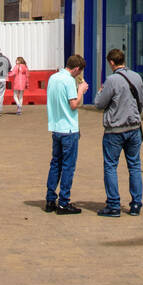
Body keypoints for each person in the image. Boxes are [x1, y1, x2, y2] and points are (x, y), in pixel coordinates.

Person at [94, 49, 143, 216]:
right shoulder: (137, 77)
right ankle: (136, 203)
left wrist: (100, 91)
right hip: (134, 128)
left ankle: (114, 204)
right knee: (135, 165)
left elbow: (99, 103)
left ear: (111, 62)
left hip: (115, 129)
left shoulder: (111, 80)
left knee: (110, 166)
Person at [45, 55, 88, 214]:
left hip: (56, 126)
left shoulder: (53, 78)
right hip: (68, 129)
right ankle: (63, 201)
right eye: (79, 72)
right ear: (76, 69)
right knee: (68, 166)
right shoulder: (69, 80)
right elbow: (74, 104)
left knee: (55, 163)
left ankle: (50, 199)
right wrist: (81, 91)